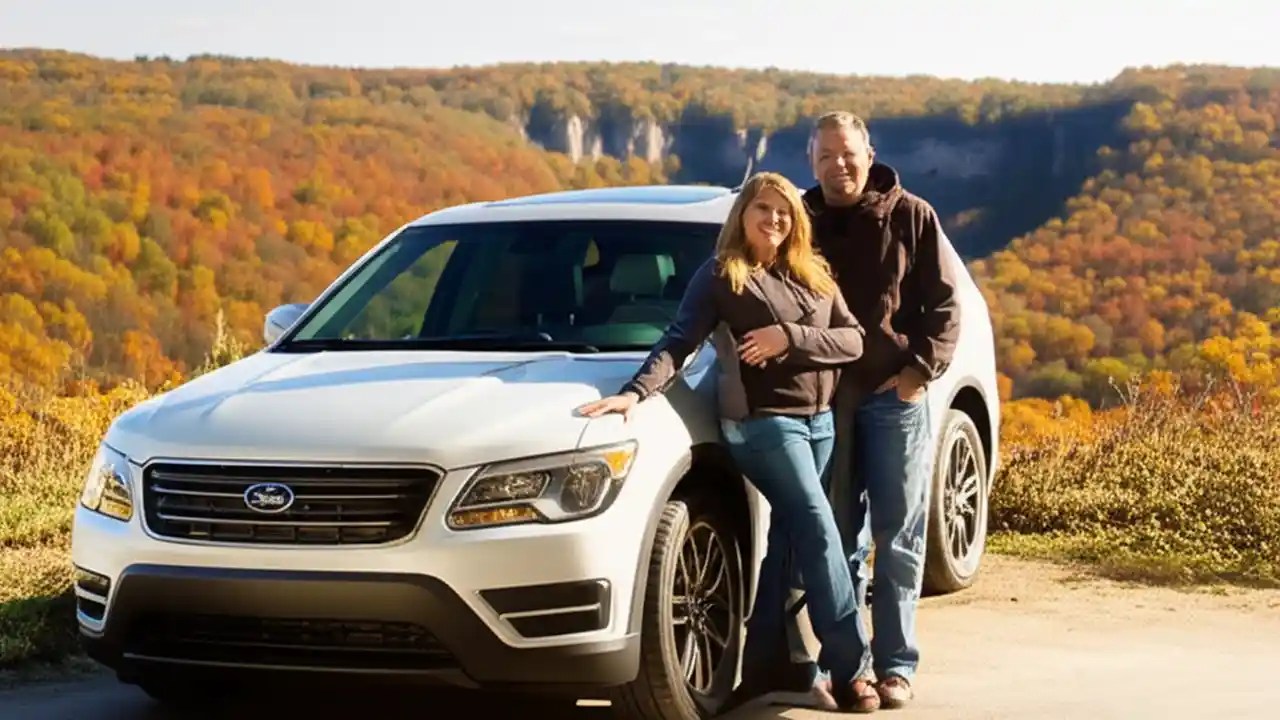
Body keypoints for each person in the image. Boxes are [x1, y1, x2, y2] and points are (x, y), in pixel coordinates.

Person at [576, 171, 881, 712]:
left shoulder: (813, 275)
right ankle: (850, 668)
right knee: (817, 525)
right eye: (763, 208)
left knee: (789, 539)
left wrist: (789, 337)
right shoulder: (723, 276)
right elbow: (680, 341)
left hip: (819, 424)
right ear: (743, 214)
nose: (774, 220)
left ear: (796, 220)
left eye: (783, 211)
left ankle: (764, 668)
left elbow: (853, 339)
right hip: (763, 425)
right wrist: (634, 393)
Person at [800, 110, 962, 709]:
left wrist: (917, 374)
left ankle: (896, 667)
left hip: (893, 398)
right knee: (834, 538)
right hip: (821, 402)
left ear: (869, 154)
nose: (838, 166)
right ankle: (844, 667)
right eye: (825, 157)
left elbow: (945, 307)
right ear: (810, 161)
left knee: (897, 537)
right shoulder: (799, 220)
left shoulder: (912, 215)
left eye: (848, 154)